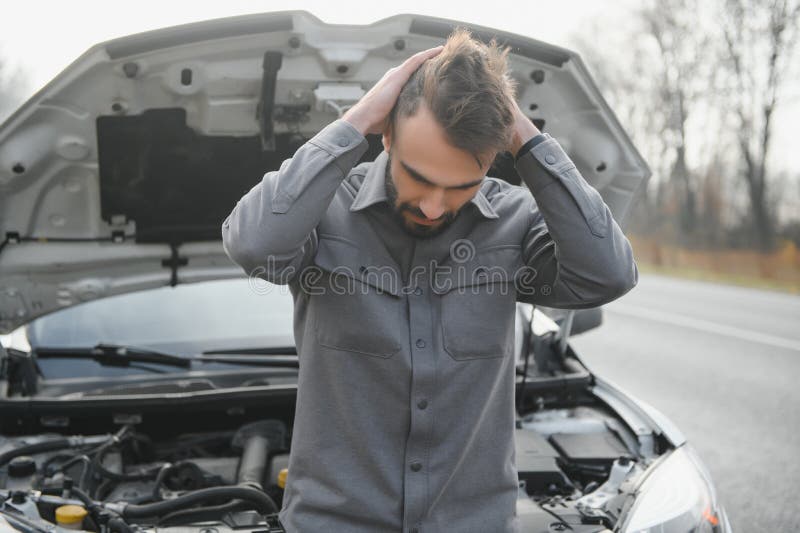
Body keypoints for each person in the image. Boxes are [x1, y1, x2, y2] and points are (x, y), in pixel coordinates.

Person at [221, 27, 638, 533]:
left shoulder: (516, 221)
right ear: (388, 134)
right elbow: (253, 244)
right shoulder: (323, 212)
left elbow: (609, 274)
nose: (433, 206)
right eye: (420, 177)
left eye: (461, 185)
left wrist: (526, 136)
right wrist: (356, 121)